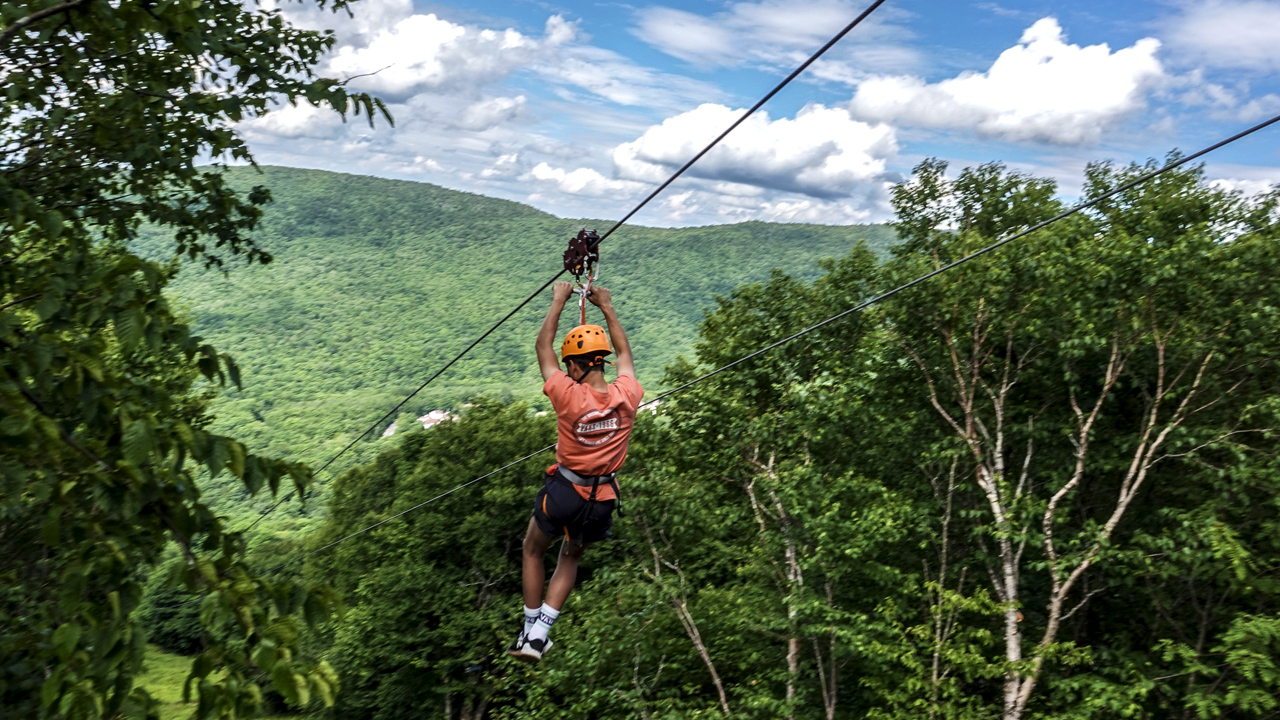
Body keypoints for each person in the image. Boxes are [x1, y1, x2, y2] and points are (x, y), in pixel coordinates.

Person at [506, 281, 642, 663]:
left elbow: (542, 348)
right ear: (603, 362)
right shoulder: (627, 394)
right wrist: (608, 307)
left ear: (577, 366)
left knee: (533, 550)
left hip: (565, 494)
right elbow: (626, 353)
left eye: (570, 365)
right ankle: (541, 635)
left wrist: (558, 300)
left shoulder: (568, 395)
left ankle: (529, 630)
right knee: (570, 557)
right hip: (602, 500)